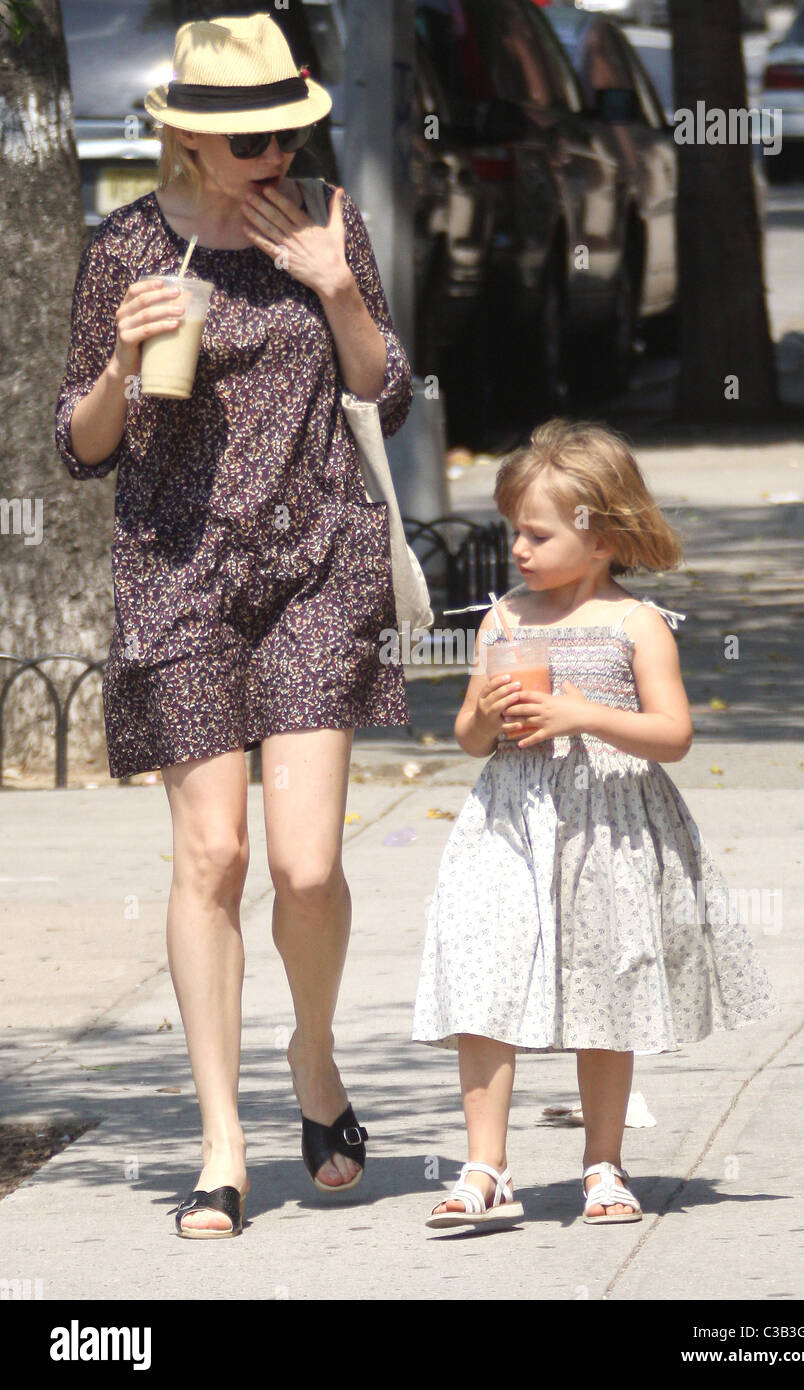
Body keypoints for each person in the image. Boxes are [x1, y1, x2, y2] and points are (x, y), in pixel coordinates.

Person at [54, 13, 414, 1237]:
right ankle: (221, 1139)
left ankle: (311, 1055)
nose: (273, 149)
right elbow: (81, 446)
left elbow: (387, 388)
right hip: (178, 572)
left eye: (284, 128)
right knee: (213, 857)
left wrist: (333, 285)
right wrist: (120, 358)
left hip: (316, 558)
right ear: (191, 142)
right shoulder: (127, 246)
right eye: (247, 134)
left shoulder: (324, 218)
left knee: (307, 864)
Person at [412, 419, 779, 1229]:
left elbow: (673, 734)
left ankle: (604, 1164)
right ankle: (484, 1166)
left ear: (604, 535)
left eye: (538, 533)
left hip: (609, 826)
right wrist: (480, 711)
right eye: (515, 530)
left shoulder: (634, 625)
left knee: (604, 987)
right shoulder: (504, 619)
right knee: (483, 975)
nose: (519, 548)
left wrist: (585, 713)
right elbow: (473, 739)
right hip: (510, 821)